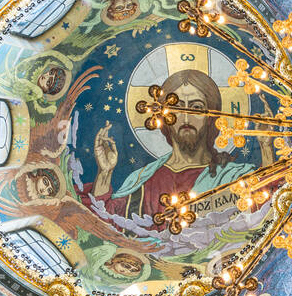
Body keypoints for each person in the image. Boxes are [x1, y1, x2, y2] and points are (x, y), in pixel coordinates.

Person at [82, 68, 251, 225]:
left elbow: (264, 211)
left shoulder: (234, 178)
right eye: (176, 108)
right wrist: (104, 173)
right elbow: (105, 225)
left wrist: (266, 149)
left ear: (210, 117)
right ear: (163, 118)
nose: (185, 117)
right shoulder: (143, 180)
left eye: (196, 108)